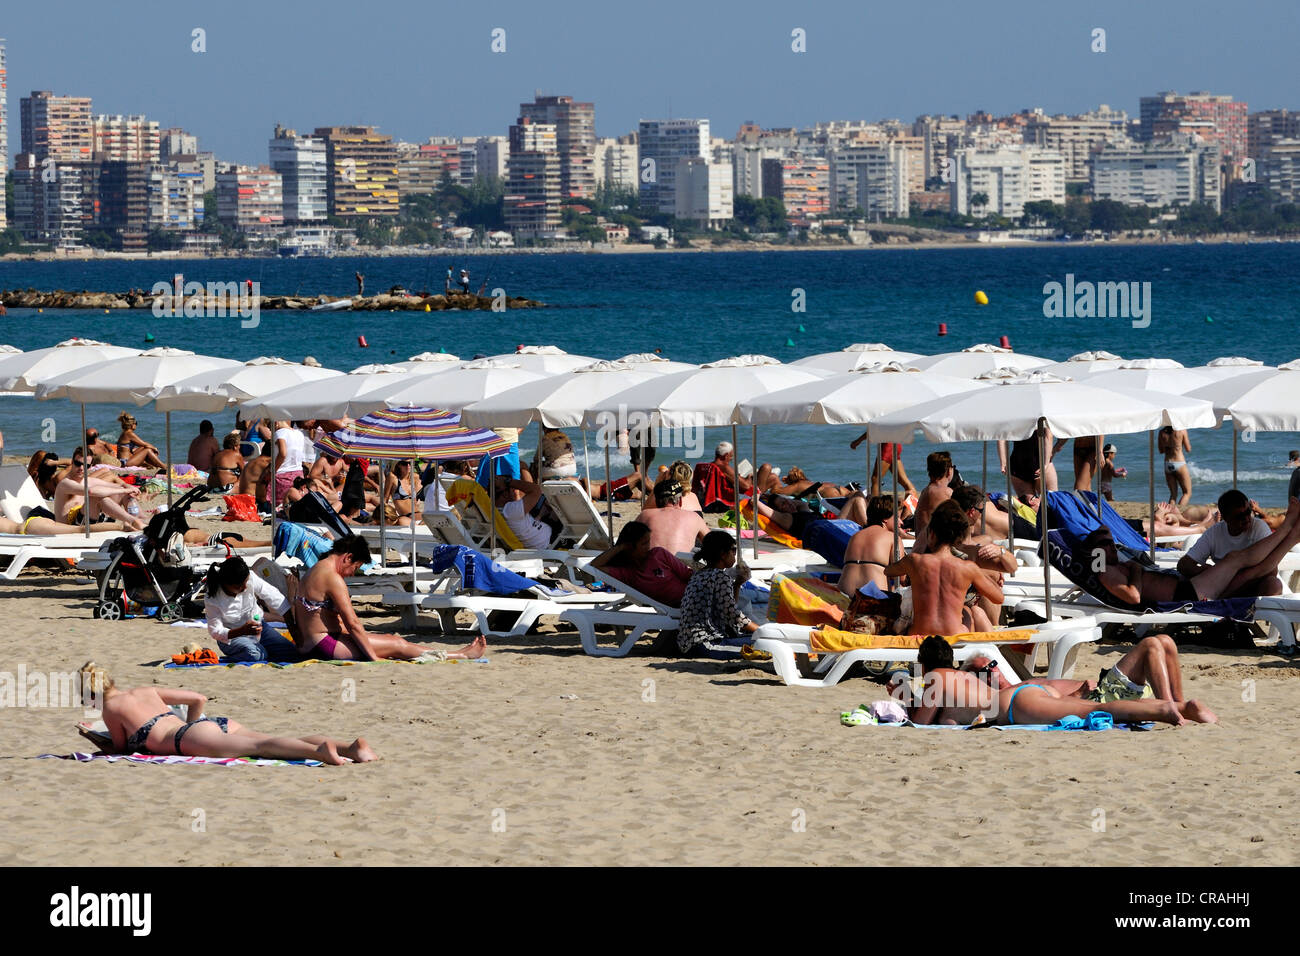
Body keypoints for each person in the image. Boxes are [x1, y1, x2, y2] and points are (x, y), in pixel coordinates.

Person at [82, 662, 376, 764]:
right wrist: (195, 725)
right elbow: (199, 697)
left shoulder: (111, 708)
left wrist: (100, 743)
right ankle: (350, 748)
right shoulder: (144, 690)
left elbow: (120, 749)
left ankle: (321, 753)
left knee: (263, 747)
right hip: (207, 725)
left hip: (190, 738)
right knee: (273, 739)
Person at [907, 637, 1217, 727]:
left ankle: (1166, 711)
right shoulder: (960, 678)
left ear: (925, 666)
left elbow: (920, 722)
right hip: (1030, 692)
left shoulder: (934, 678)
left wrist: (905, 703)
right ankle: (1182, 706)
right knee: (1092, 706)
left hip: (1016, 705)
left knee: (1100, 710)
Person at [296, 535, 485, 660]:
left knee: (388, 639)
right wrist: (373, 657)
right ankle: (459, 655)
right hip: (326, 645)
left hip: (312, 643)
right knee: (397, 644)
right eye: (355, 567)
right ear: (348, 557)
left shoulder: (314, 570)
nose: (352, 574)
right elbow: (352, 623)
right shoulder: (333, 578)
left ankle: (457, 654)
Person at [1087, 497, 1300, 605]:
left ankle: (1291, 535)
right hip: (1187, 595)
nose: (1112, 545)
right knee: (1237, 560)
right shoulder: (1106, 571)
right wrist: (1135, 570)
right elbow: (1133, 597)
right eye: (1106, 542)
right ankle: (1289, 531)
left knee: (1251, 569)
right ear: (1097, 552)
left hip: (1188, 587)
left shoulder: (1115, 567)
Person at [884, 499, 1002, 634]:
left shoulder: (914, 561)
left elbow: (889, 571)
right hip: (954, 635)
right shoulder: (968, 568)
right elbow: (998, 598)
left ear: (932, 534)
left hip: (920, 634)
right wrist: (981, 575)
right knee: (968, 612)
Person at [1175, 490, 1283, 597]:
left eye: (1247, 512)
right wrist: (1204, 570)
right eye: (1239, 516)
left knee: (1274, 585)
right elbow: (1183, 565)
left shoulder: (1259, 527)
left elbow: (1272, 570)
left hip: (1252, 586)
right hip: (1222, 586)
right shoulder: (1214, 532)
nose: (1246, 519)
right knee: (1183, 581)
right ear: (1225, 518)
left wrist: (1242, 577)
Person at [675, 530, 759, 655]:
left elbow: (727, 610)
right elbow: (733, 615)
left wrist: (736, 585)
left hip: (690, 642)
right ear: (722, 554)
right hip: (706, 643)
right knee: (764, 644)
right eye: (733, 550)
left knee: (760, 641)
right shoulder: (720, 576)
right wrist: (761, 630)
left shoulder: (699, 574)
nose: (735, 555)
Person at [204, 557, 300, 663]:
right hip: (232, 637)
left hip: (259, 628)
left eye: (246, 582)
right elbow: (215, 631)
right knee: (256, 654)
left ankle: (262, 651)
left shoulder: (250, 577)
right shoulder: (212, 598)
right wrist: (242, 631)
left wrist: (294, 631)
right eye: (239, 586)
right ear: (226, 584)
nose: (245, 587)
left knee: (290, 652)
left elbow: (276, 598)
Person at [588, 521, 693, 607]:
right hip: (677, 606)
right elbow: (596, 564)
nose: (648, 546)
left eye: (648, 542)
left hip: (693, 595)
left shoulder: (658, 554)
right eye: (644, 543)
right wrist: (620, 547)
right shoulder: (627, 572)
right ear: (630, 546)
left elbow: (687, 574)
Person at [55, 450, 145, 531]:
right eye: (78, 464)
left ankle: (141, 520)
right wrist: (124, 490)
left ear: (90, 467)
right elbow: (91, 492)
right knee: (95, 497)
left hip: (89, 521)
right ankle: (133, 521)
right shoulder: (65, 483)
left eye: (86, 465)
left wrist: (127, 487)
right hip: (71, 529)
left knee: (123, 492)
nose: (81, 468)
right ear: (72, 462)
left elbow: (120, 485)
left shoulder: (88, 481)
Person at [840, 495, 904, 596]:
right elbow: (901, 577)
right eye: (898, 517)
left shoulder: (855, 536)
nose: (901, 522)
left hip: (843, 595)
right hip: (872, 599)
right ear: (885, 518)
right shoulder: (893, 538)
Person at [634, 479, 709, 553]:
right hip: (680, 563)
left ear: (656, 500)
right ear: (680, 500)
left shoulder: (644, 515)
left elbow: (627, 542)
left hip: (651, 563)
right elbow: (714, 543)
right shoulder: (694, 517)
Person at [494, 473, 559, 549]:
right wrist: (507, 481)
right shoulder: (510, 511)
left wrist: (540, 516)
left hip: (539, 534)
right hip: (551, 542)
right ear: (505, 495)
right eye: (513, 489)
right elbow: (536, 490)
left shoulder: (497, 510)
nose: (516, 492)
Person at [691, 441, 752, 513]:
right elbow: (746, 486)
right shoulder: (724, 467)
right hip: (720, 504)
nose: (731, 459)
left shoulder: (705, 466)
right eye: (731, 456)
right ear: (726, 455)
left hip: (703, 502)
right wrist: (749, 476)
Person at [913, 451, 955, 552]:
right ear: (949, 471)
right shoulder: (947, 493)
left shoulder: (926, 491)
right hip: (934, 550)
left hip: (920, 547)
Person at [850, 434, 918, 497]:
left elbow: (873, 429)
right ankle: (915, 505)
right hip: (896, 443)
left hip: (887, 446)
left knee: (876, 479)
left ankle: (875, 507)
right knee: (904, 481)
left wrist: (858, 441)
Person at [272, 419, 308, 503]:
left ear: (276, 422)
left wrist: (272, 471)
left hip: (283, 475)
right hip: (298, 474)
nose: (270, 429)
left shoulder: (280, 433)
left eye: (270, 425)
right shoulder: (299, 434)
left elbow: (283, 454)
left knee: (280, 506)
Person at [1158, 426, 1192, 506]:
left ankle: (1170, 512)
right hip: (1179, 462)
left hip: (1168, 463)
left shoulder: (1162, 432)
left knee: (1173, 495)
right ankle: (1178, 511)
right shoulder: (1182, 430)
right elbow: (1188, 449)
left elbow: (1161, 450)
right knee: (1187, 493)